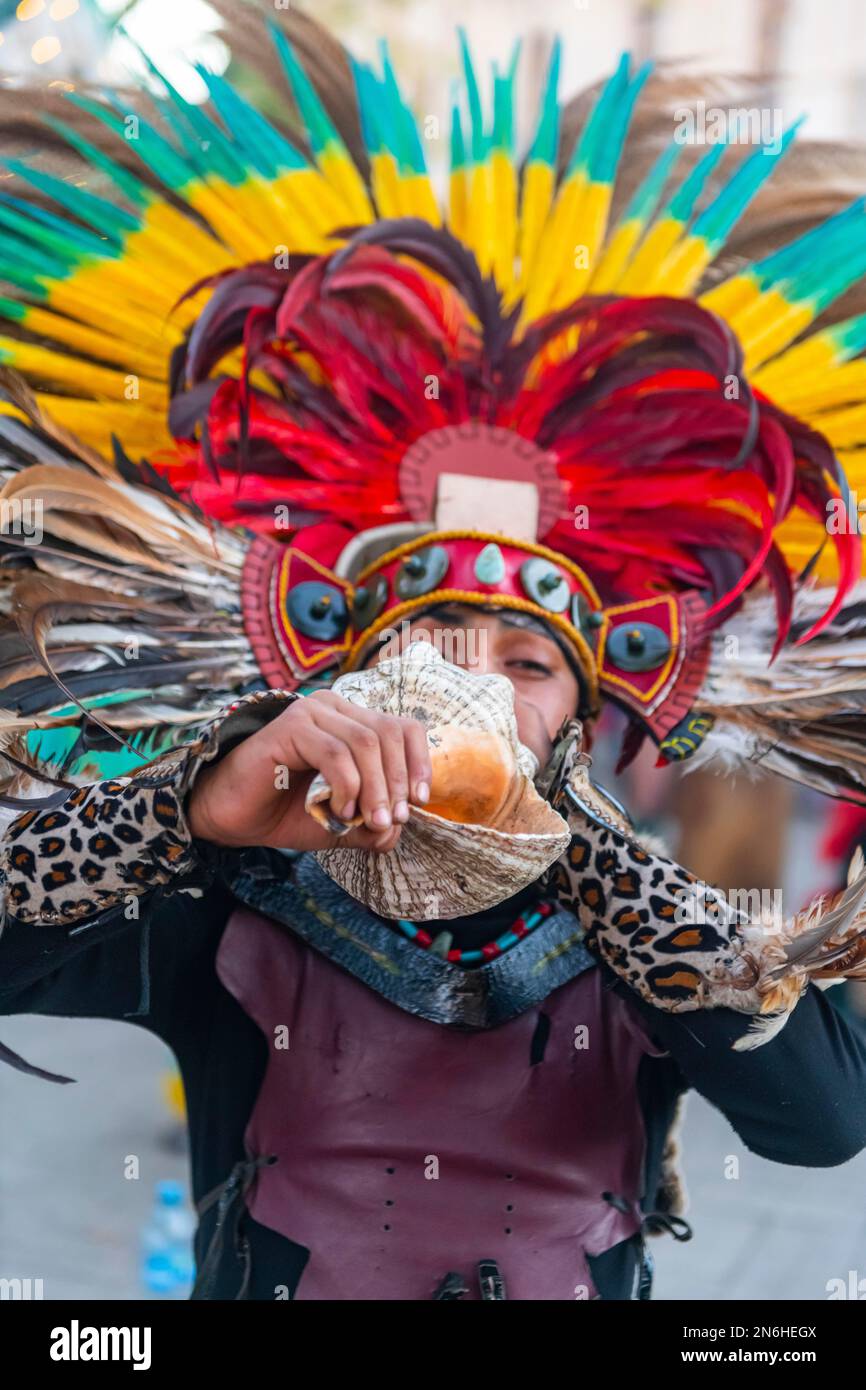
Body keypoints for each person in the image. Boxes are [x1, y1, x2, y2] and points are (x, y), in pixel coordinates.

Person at [3, 7, 866, 1302]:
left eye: (524, 662)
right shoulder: (239, 896)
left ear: (586, 714)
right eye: (426, 645)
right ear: (339, 680)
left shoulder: (651, 914)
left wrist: (579, 853)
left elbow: (820, 1121)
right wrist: (186, 808)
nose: (467, 684)